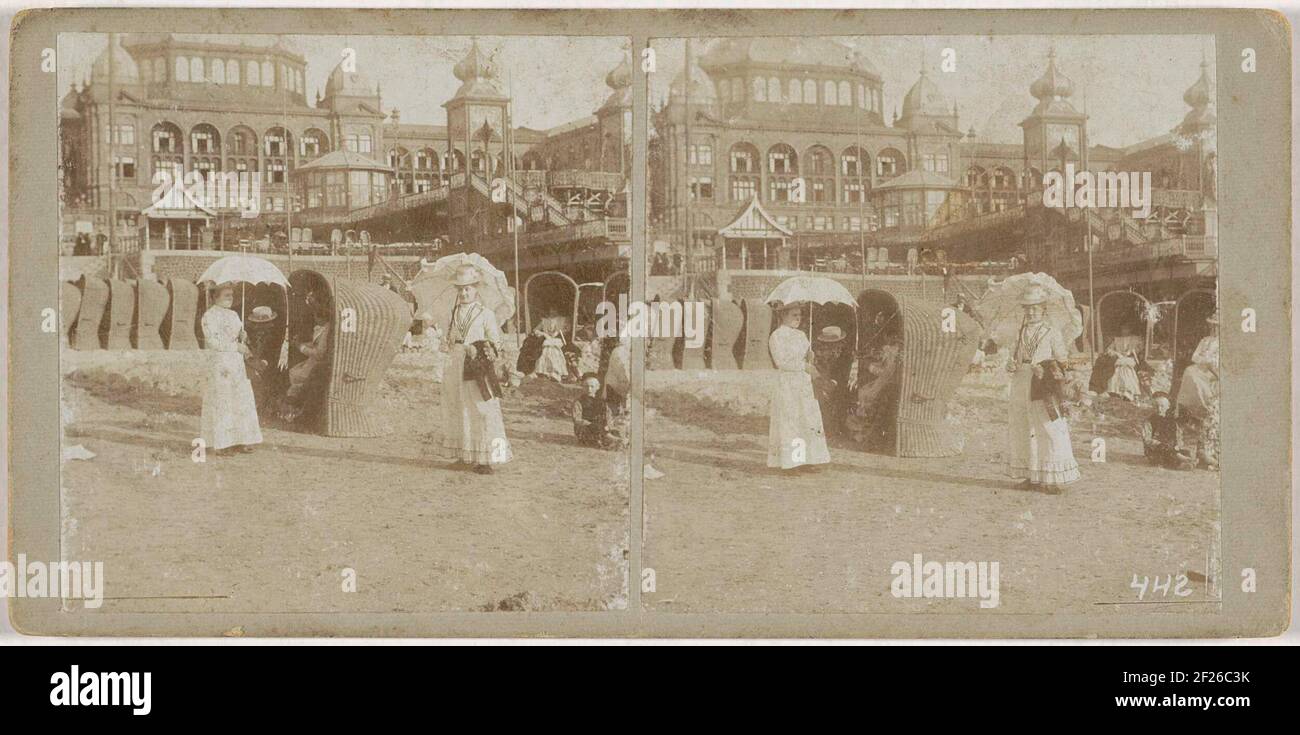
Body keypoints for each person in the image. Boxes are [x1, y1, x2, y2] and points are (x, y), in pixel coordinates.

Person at [1006, 284, 1080, 491]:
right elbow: (1015, 358)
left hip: (1043, 385)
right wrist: (1011, 364)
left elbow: (1063, 360)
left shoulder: (1051, 332)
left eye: (1035, 308)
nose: (1031, 312)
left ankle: (1053, 478)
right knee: (1024, 427)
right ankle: (1032, 475)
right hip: (1021, 382)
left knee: (1049, 427)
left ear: (1043, 310)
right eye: (1027, 308)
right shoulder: (1019, 332)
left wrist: (1046, 370)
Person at [441, 265, 513, 474]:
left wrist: (478, 347)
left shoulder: (485, 314)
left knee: (482, 409)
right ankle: (466, 455)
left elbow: (496, 343)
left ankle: (487, 459)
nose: (464, 293)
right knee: (458, 407)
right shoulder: (453, 313)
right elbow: (451, 337)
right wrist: (447, 343)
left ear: (476, 290)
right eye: (460, 289)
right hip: (455, 364)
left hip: (477, 367)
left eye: (468, 289)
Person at [200, 284, 263, 455]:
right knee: (223, 400)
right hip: (221, 363)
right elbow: (213, 342)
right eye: (226, 295)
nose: (230, 298)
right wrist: (235, 347)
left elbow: (238, 335)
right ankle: (221, 443)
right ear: (215, 297)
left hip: (236, 364)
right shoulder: (209, 316)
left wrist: (243, 336)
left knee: (240, 400)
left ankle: (241, 439)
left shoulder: (234, 314)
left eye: (232, 295)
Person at [767, 305, 830, 470]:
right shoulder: (776, 336)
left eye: (800, 315)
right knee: (791, 421)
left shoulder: (802, 335)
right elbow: (781, 362)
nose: (798, 318)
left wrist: (810, 357)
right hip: (787, 384)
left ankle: (806, 459)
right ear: (783, 316)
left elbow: (806, 360)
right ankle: (791, 462)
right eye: (794, 315)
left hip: (803, 384)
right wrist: (803, 365)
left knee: (806, 420)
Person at [1176, 310, 1219, 470]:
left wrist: (1211, 364)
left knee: (1213, 416)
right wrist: (1205, 361)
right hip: (1202, 368)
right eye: (1212, 326)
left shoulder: (1226, 341)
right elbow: (1195, 357)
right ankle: (1194, 402)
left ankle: (1211, 453)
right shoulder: (1205, 340)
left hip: (1216, 371)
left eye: (1217, 327)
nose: (1214, 329)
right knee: (1190, 371)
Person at [811, 326, 851, 438]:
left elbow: (843, 373)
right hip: (822, 380)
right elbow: (817, 368)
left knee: (838, 398)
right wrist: (821, 381)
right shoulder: (818, 353)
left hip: (838, 382)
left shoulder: (845, 355)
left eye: (836, 343)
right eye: (828, 344)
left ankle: (834, 428)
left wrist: (833, 382)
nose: (831, 346)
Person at [1142, 392, 1196, 470]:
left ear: (1168, 406)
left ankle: (1184, 461)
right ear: (1152, 406)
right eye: (1156, 406)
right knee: (1164, 452)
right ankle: (1179, 464)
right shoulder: (1149, 421)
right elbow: (1147, 440)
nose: (1159, 409)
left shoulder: (1171, 421)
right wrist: (1160, 444)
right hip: (1156, 450)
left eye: (1162, 406)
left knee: (1186, 452)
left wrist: (1177, 446)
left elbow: (1178, 437)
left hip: (1171, 449)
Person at [572, 373, 614, 448]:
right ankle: (611, 439)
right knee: (595, 431)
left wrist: (608, 425)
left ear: (597, 387)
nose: (589, 389)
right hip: (585, 428)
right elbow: (577, 419)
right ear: (583, 387)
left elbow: (609, 416)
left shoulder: (601, 402)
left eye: (592, 386)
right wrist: (591, 425)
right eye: (586, 386)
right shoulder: (578, 401)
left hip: (601, 427)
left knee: (614, 429)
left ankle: (607, 439)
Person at [1105, 325, 1142, 400]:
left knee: (1127, 368)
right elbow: (1108, 350)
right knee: (1119, 368)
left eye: (1127, 329)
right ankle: (1117, 390)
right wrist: (1117, 353)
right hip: (1120, 359)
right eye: (1123, 329)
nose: (1125, 331)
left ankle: (1129, 390)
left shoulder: (1135, 339)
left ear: (1130, 329)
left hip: (1130, 359)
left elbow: (1140, 347)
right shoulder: (1117, 340)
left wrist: (1132, 351)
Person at [534, 318, 568, 382]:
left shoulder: (560, 321)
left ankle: (555, 373)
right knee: (546, 354)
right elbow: (536, 330)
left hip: (555, 341)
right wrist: (543, 334)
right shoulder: (544, 321)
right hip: (547, 341)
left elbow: (563, 330)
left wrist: (558, 332)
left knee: (556, 355)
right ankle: (546, 372)